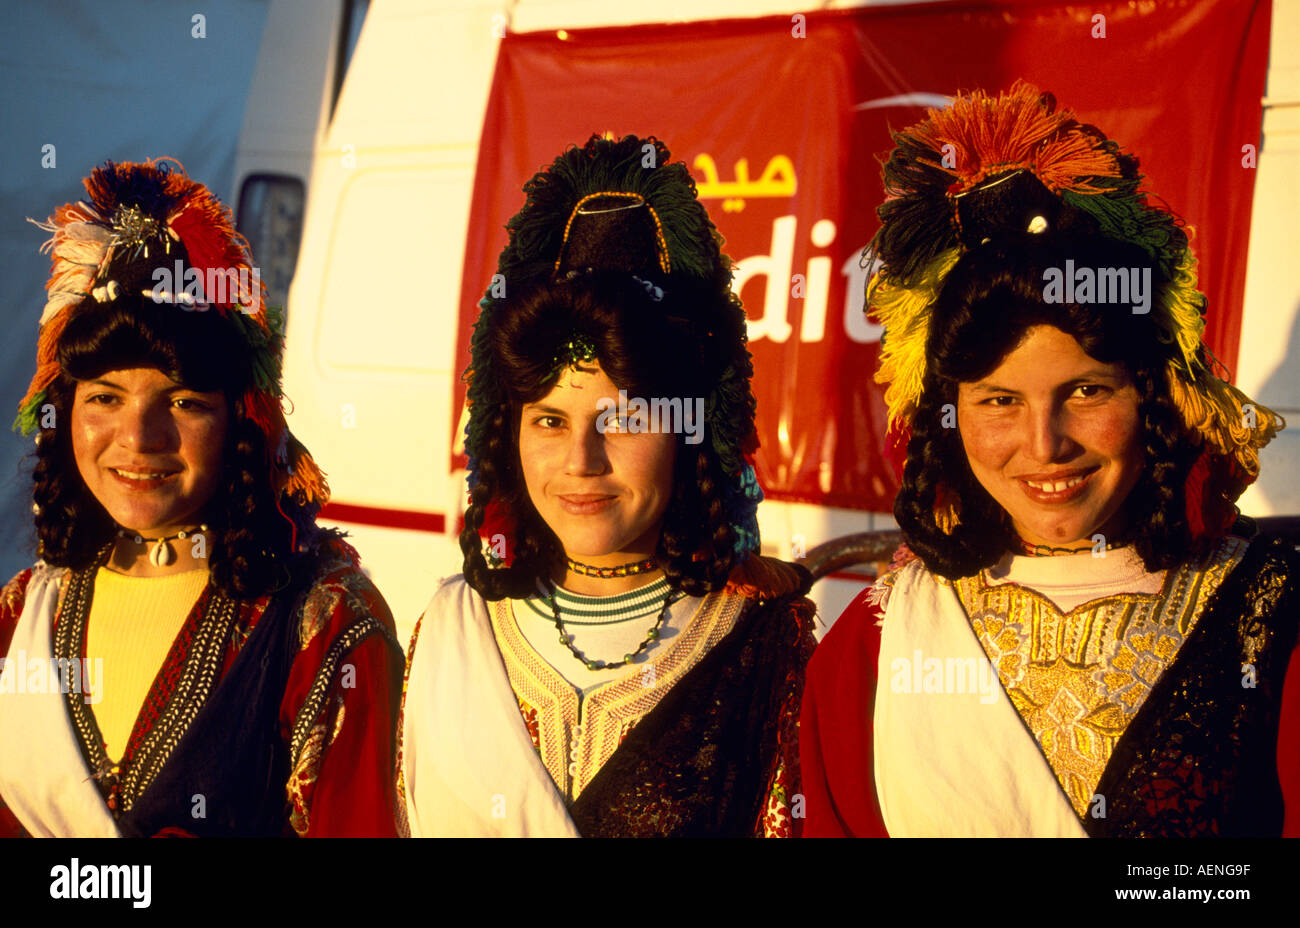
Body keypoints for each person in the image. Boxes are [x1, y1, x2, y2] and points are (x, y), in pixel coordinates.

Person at [800, 83, 1300, 837]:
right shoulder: (874, 643)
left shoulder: (1268, 617)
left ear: (1153, 395)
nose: (1044, 446)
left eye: (1087, 391)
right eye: (999, 401)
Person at [399, 134, 817, 837]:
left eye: (621, 419)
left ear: (689, 433)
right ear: (508, 438)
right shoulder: (454, 633)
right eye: (551, 420)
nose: (581, 461)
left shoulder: (764, 649)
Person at [0, 159, 404, 837]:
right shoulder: (21, 621)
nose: (139, 438)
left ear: (241, 424)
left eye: (183, 402)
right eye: (103, 398)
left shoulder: (322, 627)